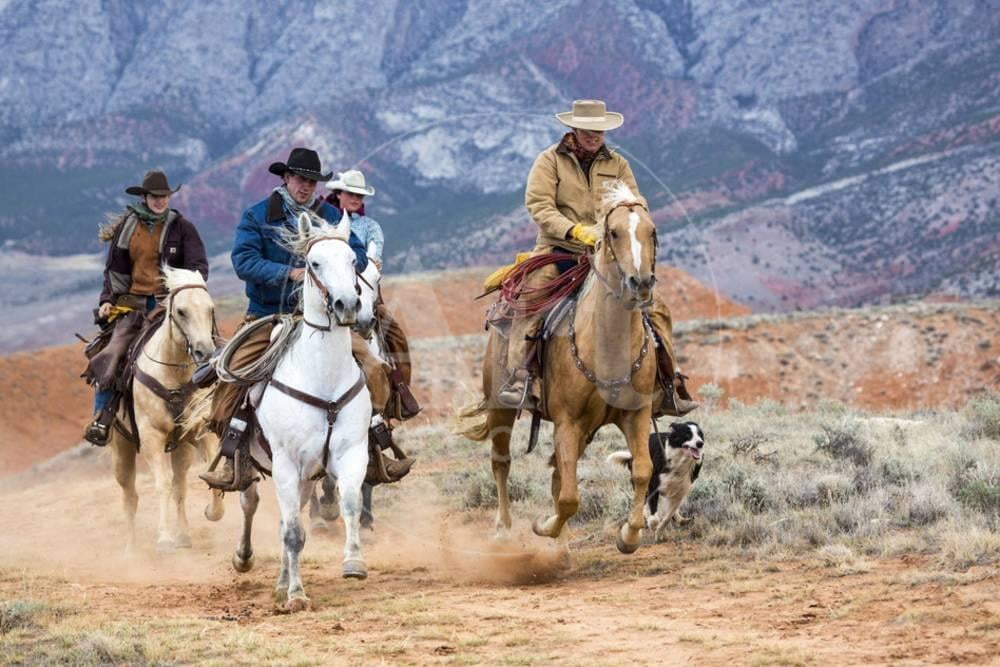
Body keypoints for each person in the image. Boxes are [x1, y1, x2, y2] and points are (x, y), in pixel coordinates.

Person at [200, 148, 391, 489]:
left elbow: (359, 255)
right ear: (286, 178)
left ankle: (376, 442)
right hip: (268, 315)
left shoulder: (331, 214)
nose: (306, 187)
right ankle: (232, 456)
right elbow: (244, 262)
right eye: (300, 179)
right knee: (234, 375)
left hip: (323, 320)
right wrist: (290, 274)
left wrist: (341, 258)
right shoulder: (257, 216)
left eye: (312, 181)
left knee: (373, 367)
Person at [496, 99, 698, 416]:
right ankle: (521, 379)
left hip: (608, 254)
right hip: (558, 250)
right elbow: (540, 206)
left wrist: (623, 222)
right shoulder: (549, 161)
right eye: (589, 130)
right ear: (573, 129)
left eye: (600, 130)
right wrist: (575, 231)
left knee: (655, 306)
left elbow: (635, 202)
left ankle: (668, 383)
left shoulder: (617, 164)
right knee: (531, 300)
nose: (595, 136)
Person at [83, 171, 209, 445]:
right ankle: (101, 418)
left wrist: (182, 293)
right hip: (133, 306)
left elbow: (199, 267)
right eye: (155, 196)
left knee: (208, 347)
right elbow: (113, 270)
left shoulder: (182, 227)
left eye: (164, 196)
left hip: (172, 306)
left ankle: (215, 414)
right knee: (112, 354)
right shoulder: (127, 227)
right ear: (145, 197)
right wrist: (107, 300)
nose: (160, 201)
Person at [325, 169, 419, 535]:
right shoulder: (325, 221)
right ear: (338, 195)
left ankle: (391, 403)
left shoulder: (371, 229)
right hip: (330, 303)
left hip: (367, 299)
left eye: (360, 196)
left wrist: (368, 272)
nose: (356, 200)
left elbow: (372, 264)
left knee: (395, 339)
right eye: (351, 194)